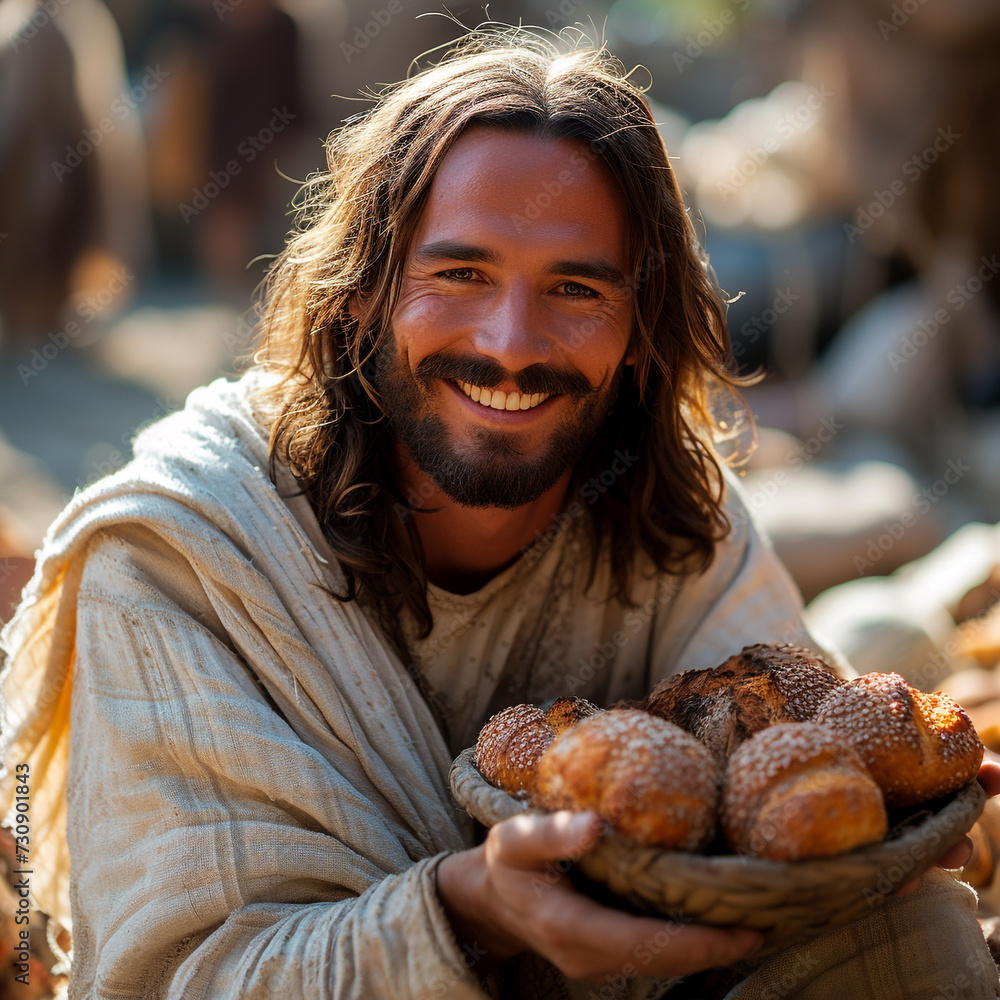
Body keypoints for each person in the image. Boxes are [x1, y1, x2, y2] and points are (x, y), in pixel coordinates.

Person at [1, 25, 998, 1000]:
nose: (511, 344)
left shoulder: (672, 517)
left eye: (575, 288)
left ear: (640, 332)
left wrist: (892, 836)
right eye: (460, 274)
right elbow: (173, 973)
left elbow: (792, 789)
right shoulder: (184, 556)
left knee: (910, 925)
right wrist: (465, 913)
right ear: (364, 290)